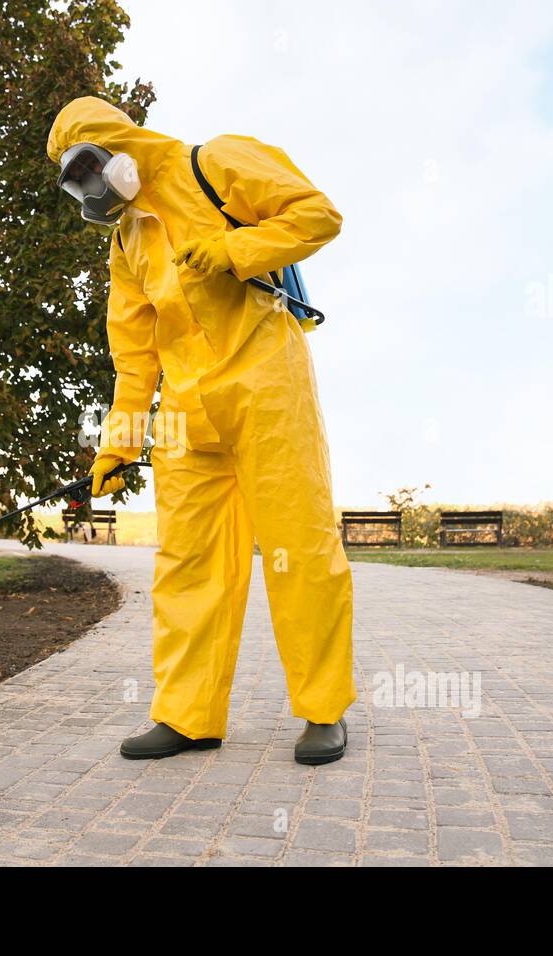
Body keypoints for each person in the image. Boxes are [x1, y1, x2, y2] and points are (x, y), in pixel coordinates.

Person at [48, 97, 355, 765]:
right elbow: (135, 356)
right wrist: (118, 443)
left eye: (88, 169)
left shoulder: (214, 162)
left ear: (114, 148)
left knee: (296, 549)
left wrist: (232, 248)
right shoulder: (127, 241)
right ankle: (188, 716)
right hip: (186, 415)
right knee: (185, 565)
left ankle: (323, 710)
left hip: (266, 384)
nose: (93, 190)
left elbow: (317, 215)